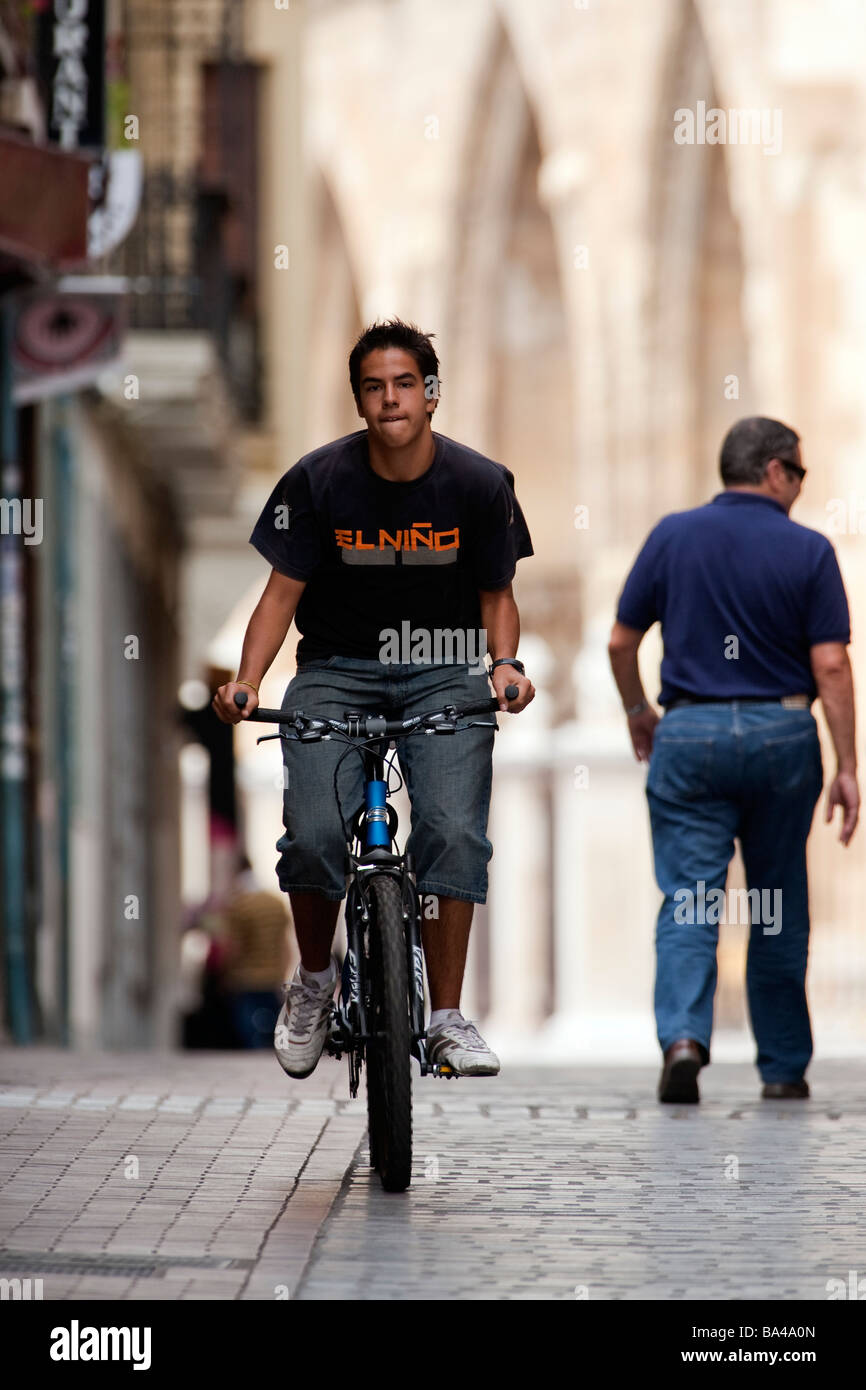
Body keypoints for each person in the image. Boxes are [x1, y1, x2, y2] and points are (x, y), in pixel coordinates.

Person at [212, 317, 535, 1078]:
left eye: (403, 384)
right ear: (359, 401)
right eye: (373, 387)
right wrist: (249, 680)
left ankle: (449, 1018)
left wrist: (506, 665)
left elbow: (498, 595)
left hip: (445, 669)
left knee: (454, 831)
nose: (389, 399)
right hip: (337, 672)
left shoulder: (480, 484)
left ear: (430, 395)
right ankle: (317, 983)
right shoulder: (319, 481)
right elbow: (278, 596)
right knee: (317, 835)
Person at [608, 417, 859, 1103]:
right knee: (778, 899)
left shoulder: (672, 535)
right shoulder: (808, 550)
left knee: (691, 897)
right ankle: (781, 1068)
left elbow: (620, 643)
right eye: (800, 475)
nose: (803, 489)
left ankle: (685, 1040)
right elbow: (831, 665)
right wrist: (847, 765)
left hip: (689, 733)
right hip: (782, 735)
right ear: (774, 471)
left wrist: (638, 712)